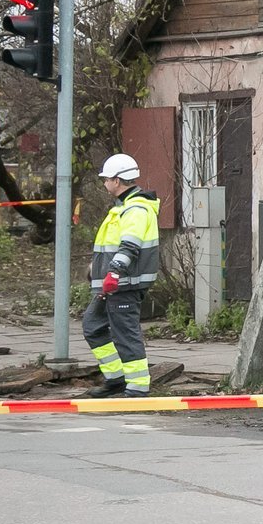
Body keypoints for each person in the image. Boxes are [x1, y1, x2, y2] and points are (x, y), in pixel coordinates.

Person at [82, 154, 161, 399]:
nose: (104, 183)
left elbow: (129, 246)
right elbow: (114, 245)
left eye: (106, 179)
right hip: (114, 282)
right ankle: (116, 379)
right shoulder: (124, 207)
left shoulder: (135, 209)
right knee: (93, 326)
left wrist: (114, 273)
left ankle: (137, 388)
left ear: (117, 180)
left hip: (123, 283)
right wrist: (97, 269)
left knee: (125, 334)